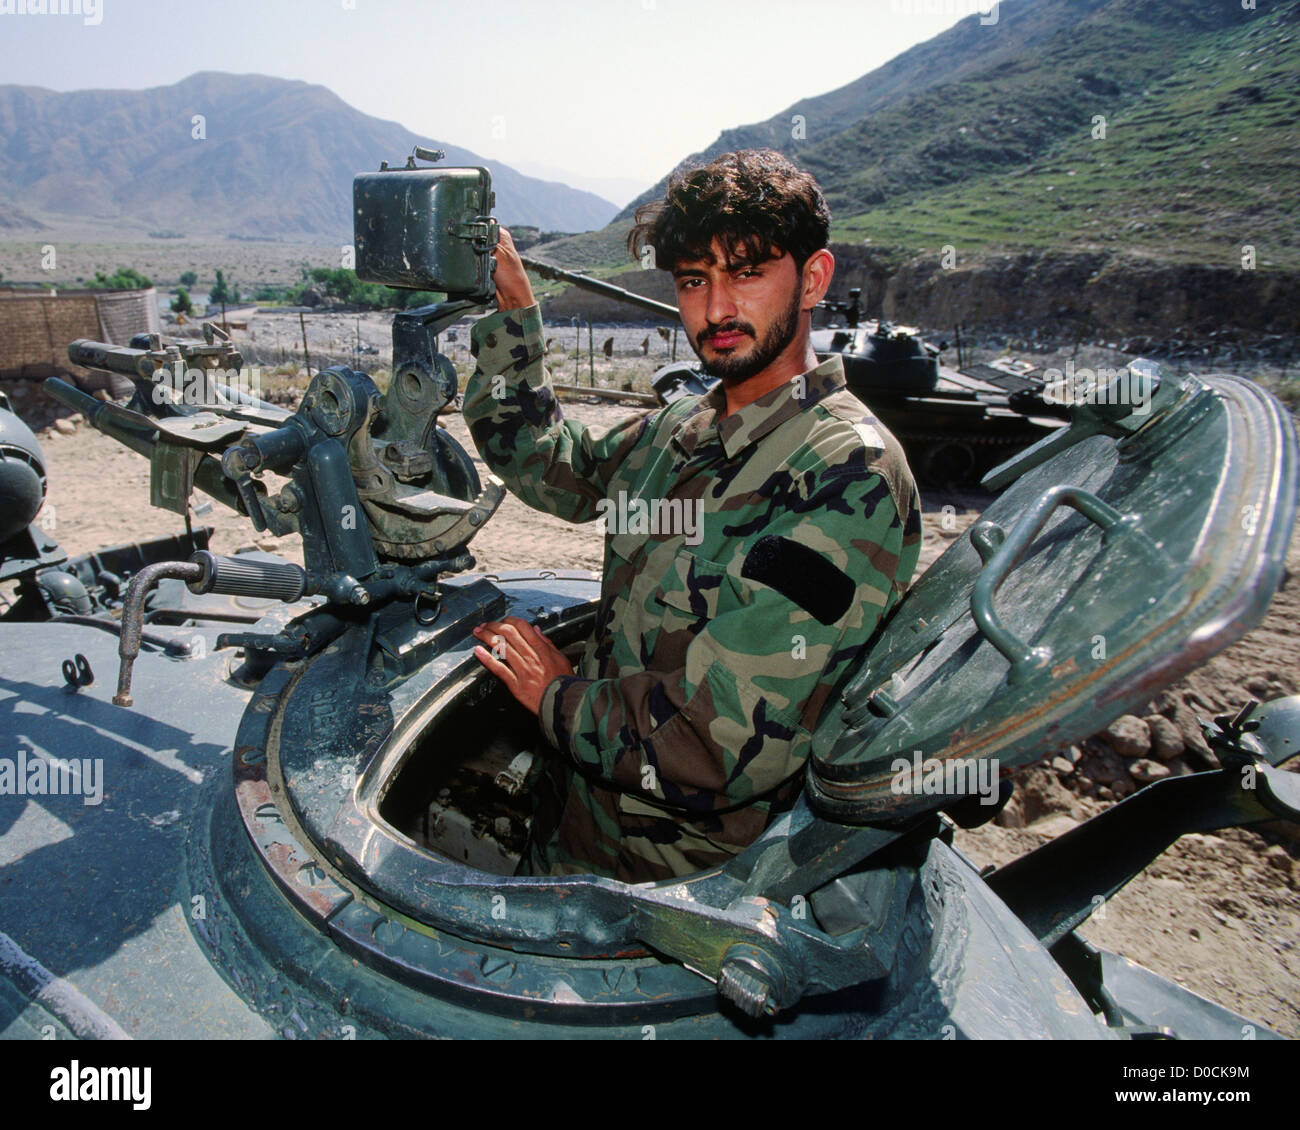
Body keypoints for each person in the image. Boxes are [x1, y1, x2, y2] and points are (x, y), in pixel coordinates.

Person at [464, 149, 921, 882]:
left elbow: (718, 743)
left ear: (812, 279)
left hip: (680, 893)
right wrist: (516, 317)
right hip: (577, 837)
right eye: (693, 281)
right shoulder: (680, 430)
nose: (715, 310)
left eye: (747, 272)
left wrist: (556, 696)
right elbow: (548, 462)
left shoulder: (842, 473)